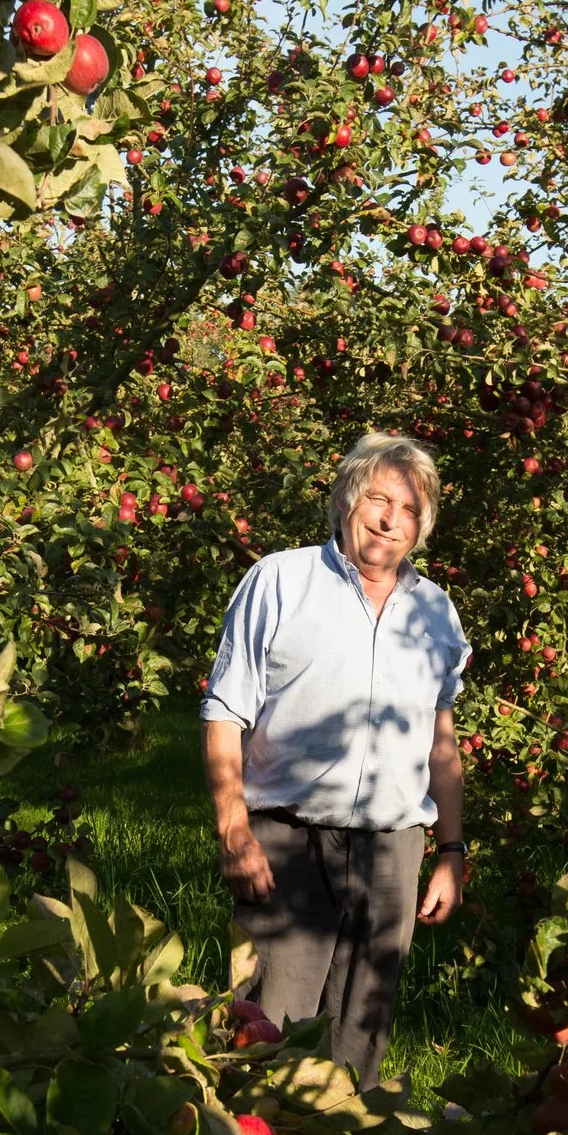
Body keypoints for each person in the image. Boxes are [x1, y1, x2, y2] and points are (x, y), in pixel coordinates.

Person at [199, 431, 470, 1089]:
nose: (389, 519)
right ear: (348, 498)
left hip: (392, 849)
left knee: (362, 1033)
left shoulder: (435, 612)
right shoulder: (280, 582)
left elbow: (441, 737)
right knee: (265, 1030)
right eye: (378, 499)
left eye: (408, 509)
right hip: (287, 842)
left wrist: (452, 851)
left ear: (422, 524)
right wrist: (234, 832)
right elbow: (223, 714)